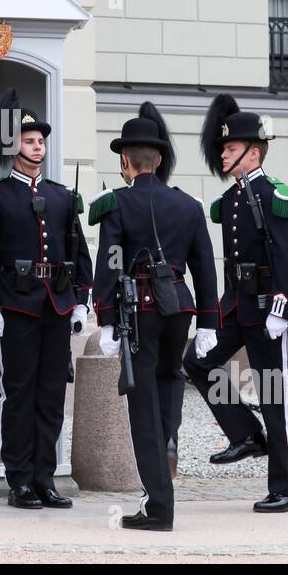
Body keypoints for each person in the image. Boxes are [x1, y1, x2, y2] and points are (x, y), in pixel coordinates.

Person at [89, 102, 218, 532]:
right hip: (179, 308)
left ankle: (158, 506)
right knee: (169, 383)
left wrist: (106, 319)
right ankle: (168, 442)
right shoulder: (188, 205)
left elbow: (109, 263)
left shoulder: (117, 205)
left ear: (125, 160)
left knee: (141, 404)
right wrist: (210, 323)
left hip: (139, 311)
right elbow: (205, 265)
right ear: (159, 160)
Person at [0, 90, 93, 510]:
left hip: (56, 303)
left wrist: (80, 301)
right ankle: (19, 479)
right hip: (17, 305)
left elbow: (79, 252)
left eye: (40, 141)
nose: (37, 146)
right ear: (11, 146)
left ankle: (45, 477)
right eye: (28, 140)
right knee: (18, 393)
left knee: (52, 393)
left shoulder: (61, 196)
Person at [193, 93, 288, 512]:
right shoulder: (233, 199)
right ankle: (246, 435)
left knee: (277, 396)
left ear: (253, 153)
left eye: (231, 149)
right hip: (237, 305)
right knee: (196, 361)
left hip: (269, 308)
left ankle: (287, 489)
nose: (223, 155)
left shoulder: (278, 195)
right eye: (222, 148)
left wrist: (283, 304)